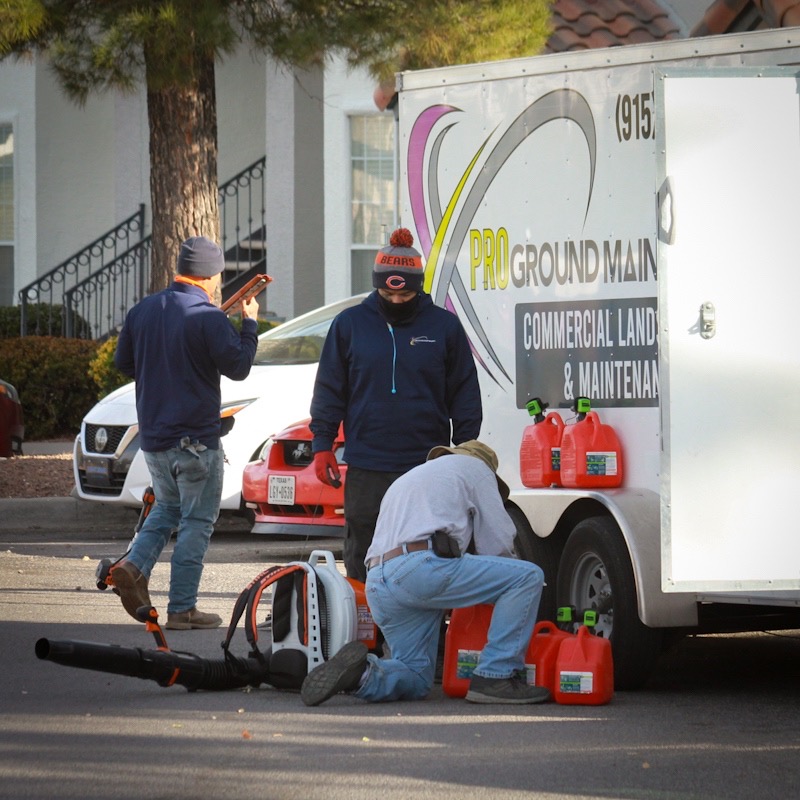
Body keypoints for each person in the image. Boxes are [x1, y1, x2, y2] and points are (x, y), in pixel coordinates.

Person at [300, 440, 550, 706]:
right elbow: (497, 544)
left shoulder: (413, 478)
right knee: (526, 577)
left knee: (417, 677)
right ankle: (496, 675)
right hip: (420, 569)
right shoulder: (478, 469)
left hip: (378, 581)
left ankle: (363, 675)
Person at [309, 227, 482, 582]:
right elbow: (329, 389)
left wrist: (465, 450)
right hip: (368, 463)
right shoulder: (350, 325)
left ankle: (424, 631)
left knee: (427, 550)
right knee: (364, 549)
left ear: (418, 286)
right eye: (388, 293)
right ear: (378, 286)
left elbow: (464, 393)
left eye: (406, 294)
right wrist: (322, 445)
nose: (397, 301)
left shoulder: (444, 327)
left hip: (426, 462)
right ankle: (367, 629)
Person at [110, 235, 260, 630]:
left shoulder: (143, 310)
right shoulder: (209, 317)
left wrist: (165, 371)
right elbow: (240, 365)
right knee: (196, 522)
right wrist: (250, 323)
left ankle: (131, 565)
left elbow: (124, 363)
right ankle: (182, 608)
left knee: (166, 509)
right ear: (212, 276)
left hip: (156, 438)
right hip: (196, 439)